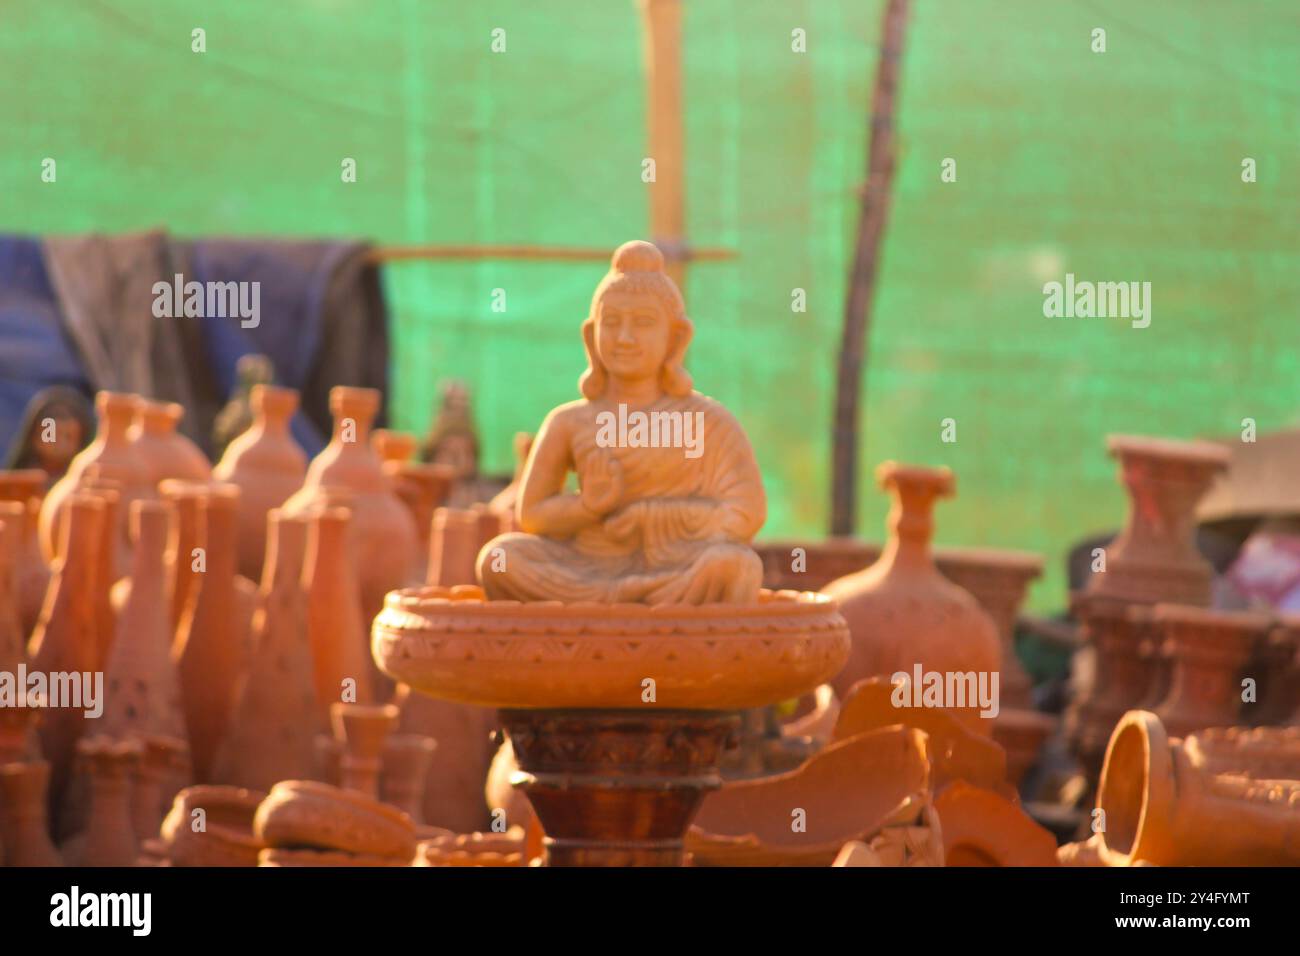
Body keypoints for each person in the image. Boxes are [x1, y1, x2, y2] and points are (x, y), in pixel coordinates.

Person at [478, 240, 765, 605]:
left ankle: (620, 605)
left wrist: (648, 517)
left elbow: (746, 513)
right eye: (611, 323)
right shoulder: (569, 421)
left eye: (643, 323)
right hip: (588, 566)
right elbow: (532, 515)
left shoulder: (708, 422)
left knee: (734, 565)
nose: (625, 338)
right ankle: (628, 600)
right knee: (500, 560)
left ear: (676, 338)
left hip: (679, 567)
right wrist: (588, 508)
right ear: (591, 336)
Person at [3, 385, 94, 488]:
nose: (61, 425)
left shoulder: (89, 485)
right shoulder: (14, 485)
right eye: (53, 415)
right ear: (33, 436)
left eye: (67, 437)